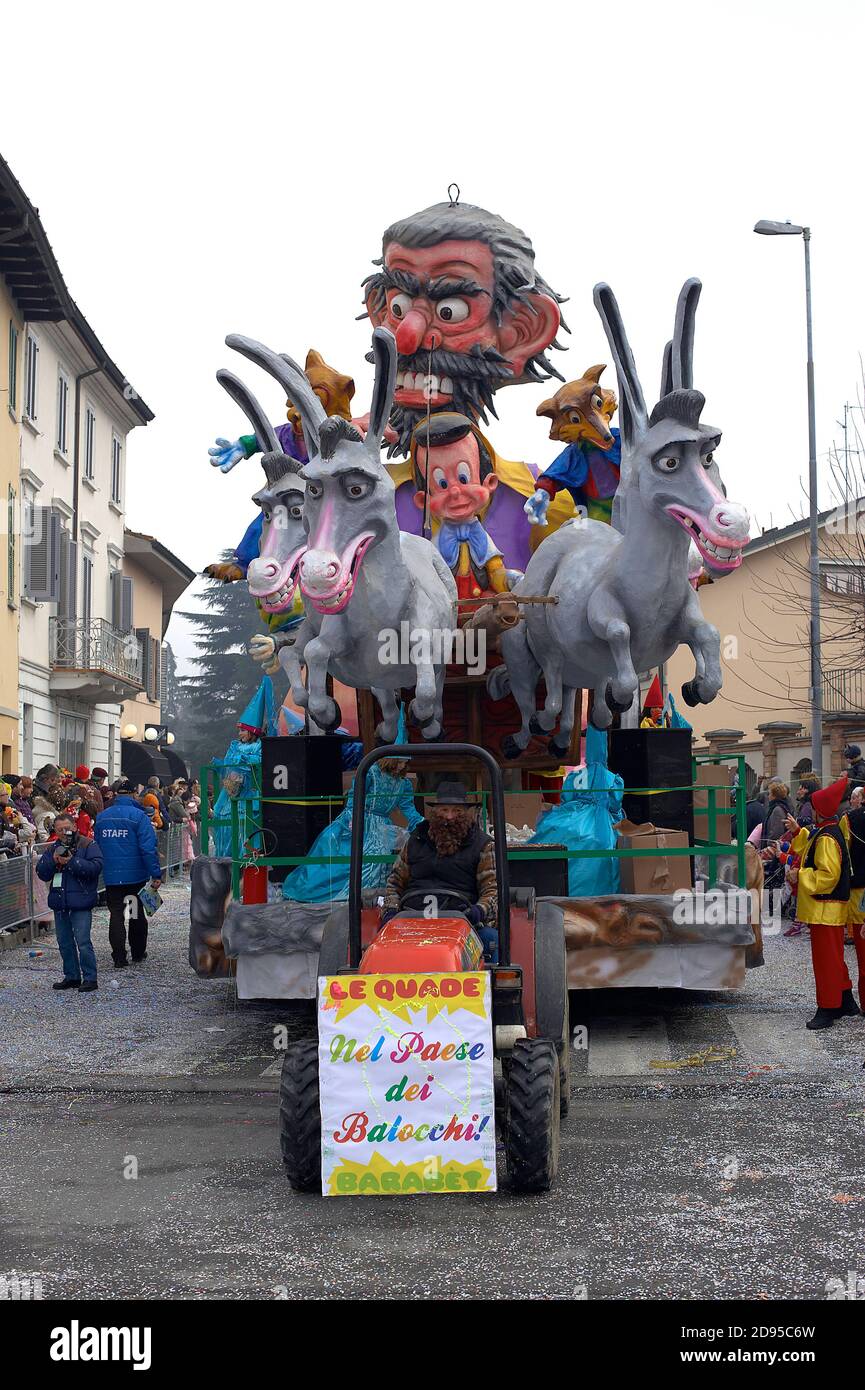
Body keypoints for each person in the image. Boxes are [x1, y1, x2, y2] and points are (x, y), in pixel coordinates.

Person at [382, 781, 498, 962]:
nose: (450, 817)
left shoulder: (483, 845)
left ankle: (491, 987)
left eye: (457, 811)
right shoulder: (415, 841)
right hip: (412, 918)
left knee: (491, 939)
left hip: (464, 920)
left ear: (466, 813)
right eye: (444, 810)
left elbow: (492, 889)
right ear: (434, 812)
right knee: (375, 939)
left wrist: (478, 911)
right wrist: (391, 908)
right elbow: (395, 881)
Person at [282, 756, 423, 903]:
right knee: (336, 849)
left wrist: (421, 823)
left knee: (385, 853)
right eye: (399, 762)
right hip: (360, 819)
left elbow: (408, 808)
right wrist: (352, 818)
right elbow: (355, 796)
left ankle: (371, 896)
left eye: (405, 763)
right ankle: (351, 894)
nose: (402, 766)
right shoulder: (370, 773)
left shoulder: (403, 783)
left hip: (382, 828)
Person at [784, 776, 863, 1030]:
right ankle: (845, 1000)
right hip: (827, 909)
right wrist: (797, 832)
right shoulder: (827, 831)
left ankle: (827, 1008)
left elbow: (828, 876)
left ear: (820, 811)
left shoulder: (827, 837)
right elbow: (807, 841)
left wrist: (800, 875)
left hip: (825, 909)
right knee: (834, 958)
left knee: (825, 961)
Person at [94, 778, 162, 968]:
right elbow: (148, 848)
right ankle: (138, 952)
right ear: (134, 794)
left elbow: (97, 845)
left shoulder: (102, 817)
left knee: (116, 915)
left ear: (116, 795)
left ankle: (119, 957)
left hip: (112, 877)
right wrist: (156, 873)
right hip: (135, 877)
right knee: (134, 914)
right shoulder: (139, 817)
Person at [36, 810, 103, 993]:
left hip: (80, 900)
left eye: (67, 828)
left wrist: (72, 862)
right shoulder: (53, 848)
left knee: (83, 941)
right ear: (55, 832)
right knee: (64, 942)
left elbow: (96, 868)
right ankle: (72, 976)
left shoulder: (88, 844)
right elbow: (41, 872)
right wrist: (54, 861)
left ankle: (90, 978)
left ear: (74, 827)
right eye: (60, 830)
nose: (64, 832)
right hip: (60, 901)